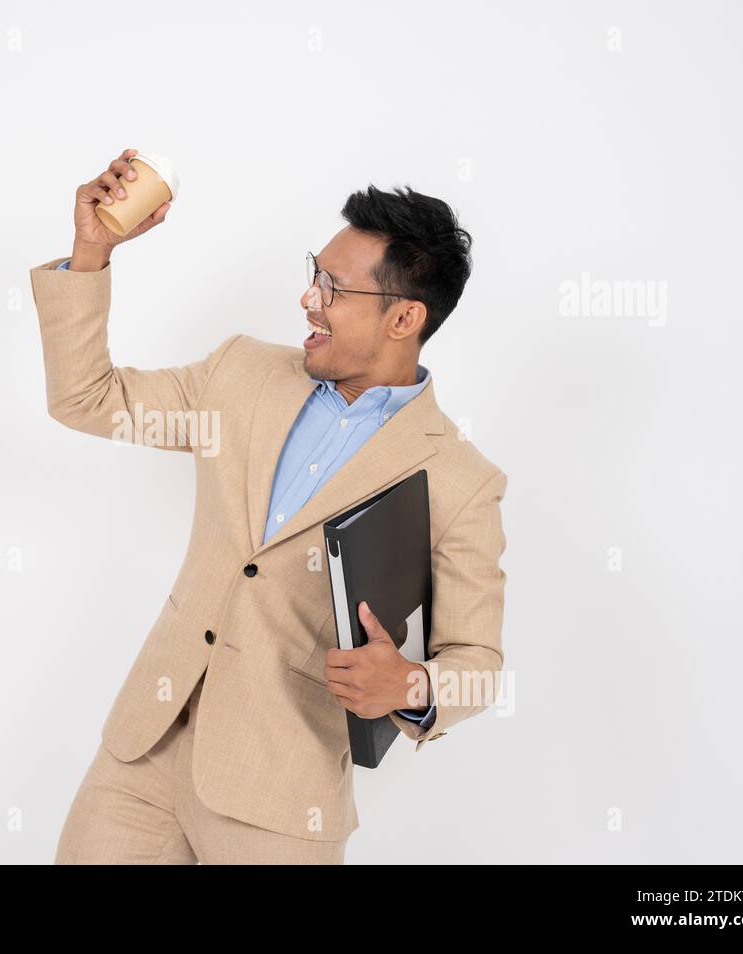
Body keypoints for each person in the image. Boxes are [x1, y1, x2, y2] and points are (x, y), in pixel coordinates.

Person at [30, 148, 508, 864]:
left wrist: (410, 684)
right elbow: (89, 399)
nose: (309, 299)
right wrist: (91, 251)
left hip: (281, 797)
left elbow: (478, 662)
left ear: (404, 318)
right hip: (142, 755)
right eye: (315, 273)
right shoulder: (243, 374)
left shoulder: (460, 479)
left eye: (335, 288)